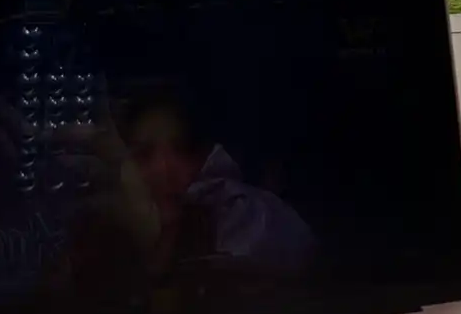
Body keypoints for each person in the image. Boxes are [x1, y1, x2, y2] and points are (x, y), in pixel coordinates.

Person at [115, 83, 318, 278]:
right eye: (143, 154)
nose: (164, 169)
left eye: (183, 149)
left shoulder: (234, 218)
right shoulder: (102, 238)